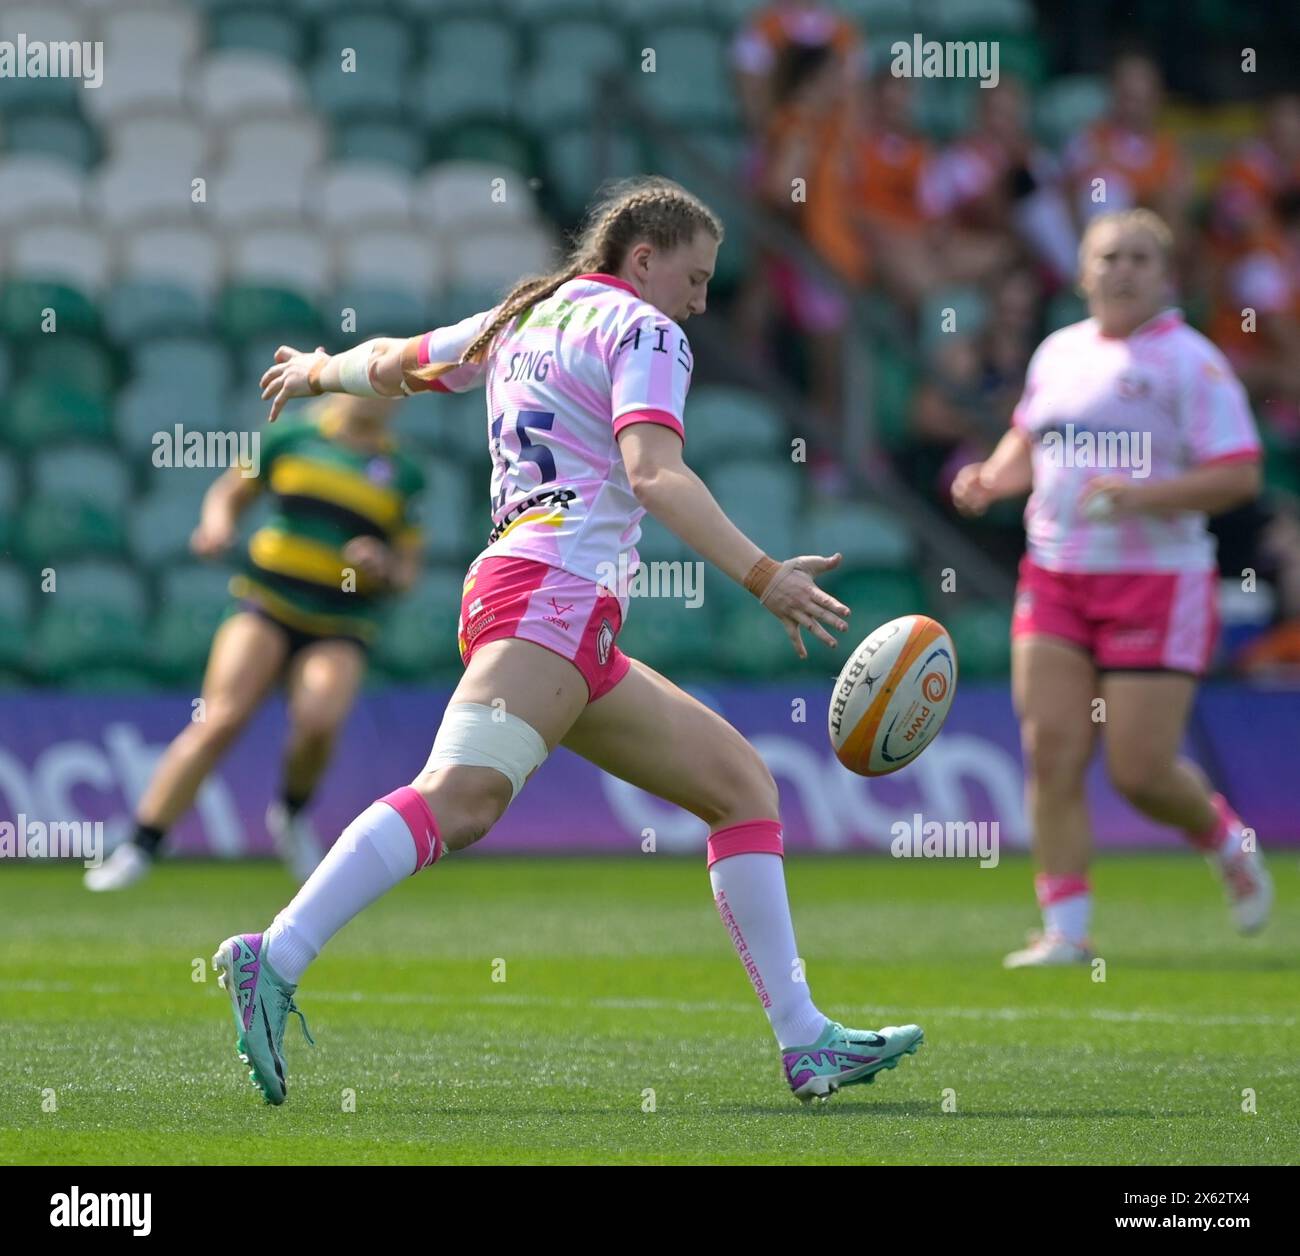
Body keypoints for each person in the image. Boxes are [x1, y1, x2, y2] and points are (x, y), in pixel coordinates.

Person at [213, 176, 924, 1104]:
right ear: (643, 258)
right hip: (551, 596)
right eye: (697, 277)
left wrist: (318, 370)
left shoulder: (524, 316)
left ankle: (806, 1040)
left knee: (741, 786)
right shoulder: (644, 330)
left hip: (548, 606)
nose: (702, 302)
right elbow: (655, 474)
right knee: (460, 801)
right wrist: (765, 576)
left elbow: (398, 361)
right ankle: (276, 954)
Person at [951, 208, 1273, 967]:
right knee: (1052, 748)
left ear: (1166, 278)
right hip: (1057, 575)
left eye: (1138, 259)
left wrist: (1143, 496)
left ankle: (1223, 838)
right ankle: (1066, 930)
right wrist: (993, 478)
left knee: (1139, 770)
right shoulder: (1058, 352)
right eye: (1108, 257)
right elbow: (1031, 439)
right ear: (1082, 272)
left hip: (1155, 583)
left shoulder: (1192, 363)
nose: (1121, 270)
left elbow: (1241, 474)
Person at [85, 394, 423, 890]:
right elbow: (231, 493)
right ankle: (141, 843)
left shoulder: (401, 470)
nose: (383, 397)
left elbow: (407, 569)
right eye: (375, 383)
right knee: (219, 718)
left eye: (394, 389)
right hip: (267, 602)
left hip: (342, 620)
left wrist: (382, 565)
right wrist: (217, 524)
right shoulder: (292, 437)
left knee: (319, 721)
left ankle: (290, 813)